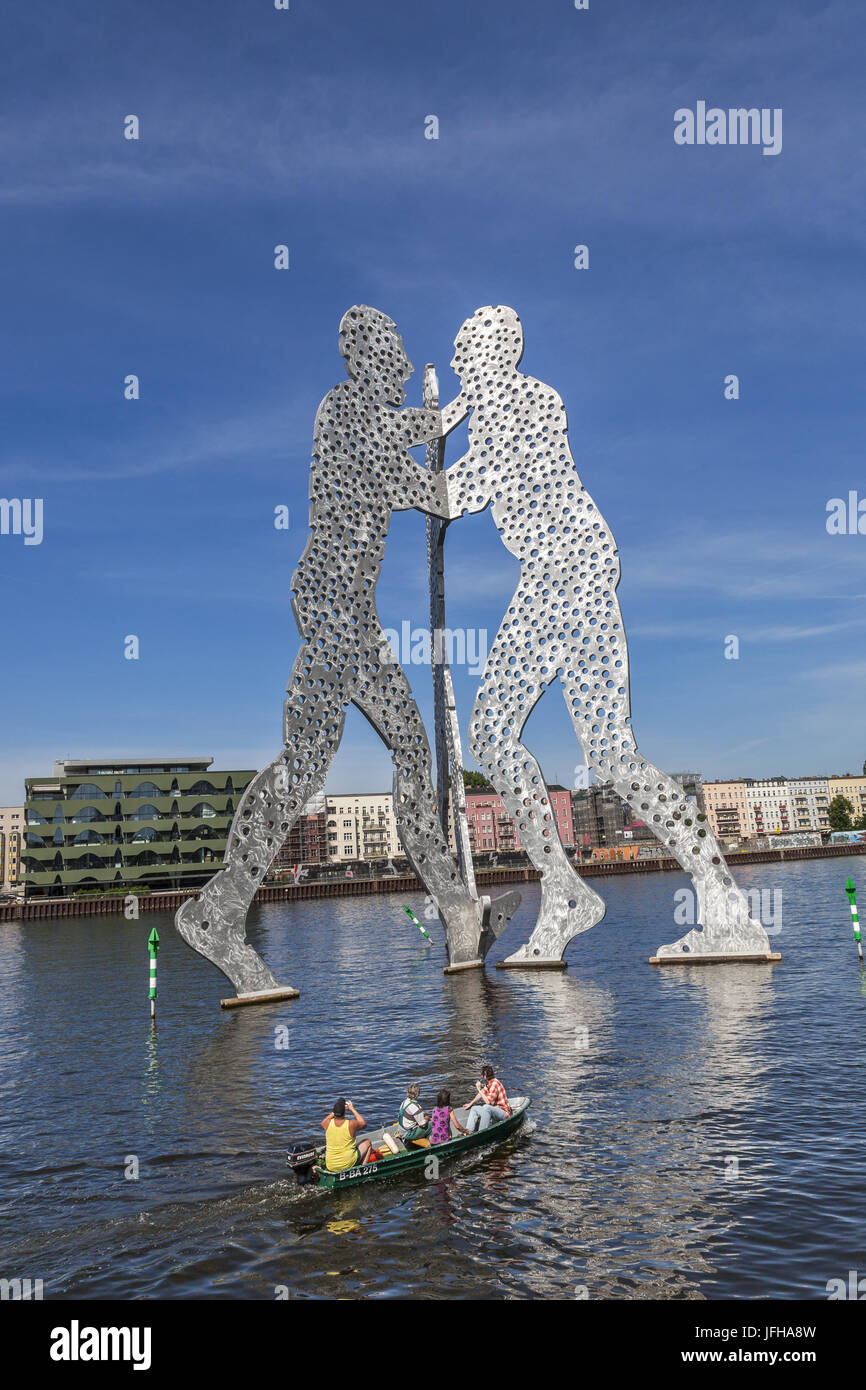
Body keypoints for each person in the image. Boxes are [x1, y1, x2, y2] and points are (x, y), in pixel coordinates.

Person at [441, 304, 772, 964]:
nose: (454, 366)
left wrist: (395, 479)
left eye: (462, 354)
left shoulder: (522, 400)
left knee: (497, 733)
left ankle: (571, 894)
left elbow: (467, 488)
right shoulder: (499, 402)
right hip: (570, 572)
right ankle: (711, 900)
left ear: (492, 357)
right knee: (608, 752)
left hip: (564, 574)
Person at [321, 1097, 373, 1172]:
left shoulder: (326, 1123)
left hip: (330, 1165)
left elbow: (325, 1120)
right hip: (347, 1163)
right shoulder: (351, 1124)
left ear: (334, 1113)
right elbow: (364, 1124)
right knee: (368, 1142)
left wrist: (336, 1111)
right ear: (344, 1113)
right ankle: (362, 1170)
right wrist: (352, 1109)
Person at [463, 1064, 511, 1133]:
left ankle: (482, 1132)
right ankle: (468, 1131)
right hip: (495, 1110)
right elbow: (480, 1094)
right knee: (474, 1109)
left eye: (482, 1075)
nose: (482, 1077)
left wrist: (478, 1089)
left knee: (486, 1107)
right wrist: (470, 1104)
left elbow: (488, 1102)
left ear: (485, 1076)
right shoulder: (489, 1084)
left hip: (504, 1112)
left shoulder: (494, 1083)